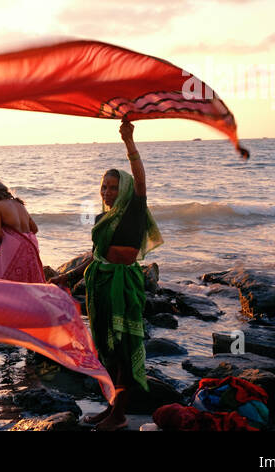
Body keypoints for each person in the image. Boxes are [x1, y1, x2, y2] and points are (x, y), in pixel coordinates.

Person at [66, 121, 162, 431]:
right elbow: (96, 257)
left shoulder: (134, 207)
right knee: (107, 349)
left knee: (123, 348)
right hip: (101, 286)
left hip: (125, 285)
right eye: (104, 187)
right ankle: (112, 410)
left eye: (113, 187)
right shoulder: (101, 219)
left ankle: (119, 416)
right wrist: (67, 277)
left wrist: (130, 142)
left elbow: (141, 178)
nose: (108, 192)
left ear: (124, 189)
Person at [0, 180, 44, 282]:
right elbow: (34, 229)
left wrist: (0, 249)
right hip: (31, 245)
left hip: (13, 247)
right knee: (28, 281)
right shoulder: (19, 204)